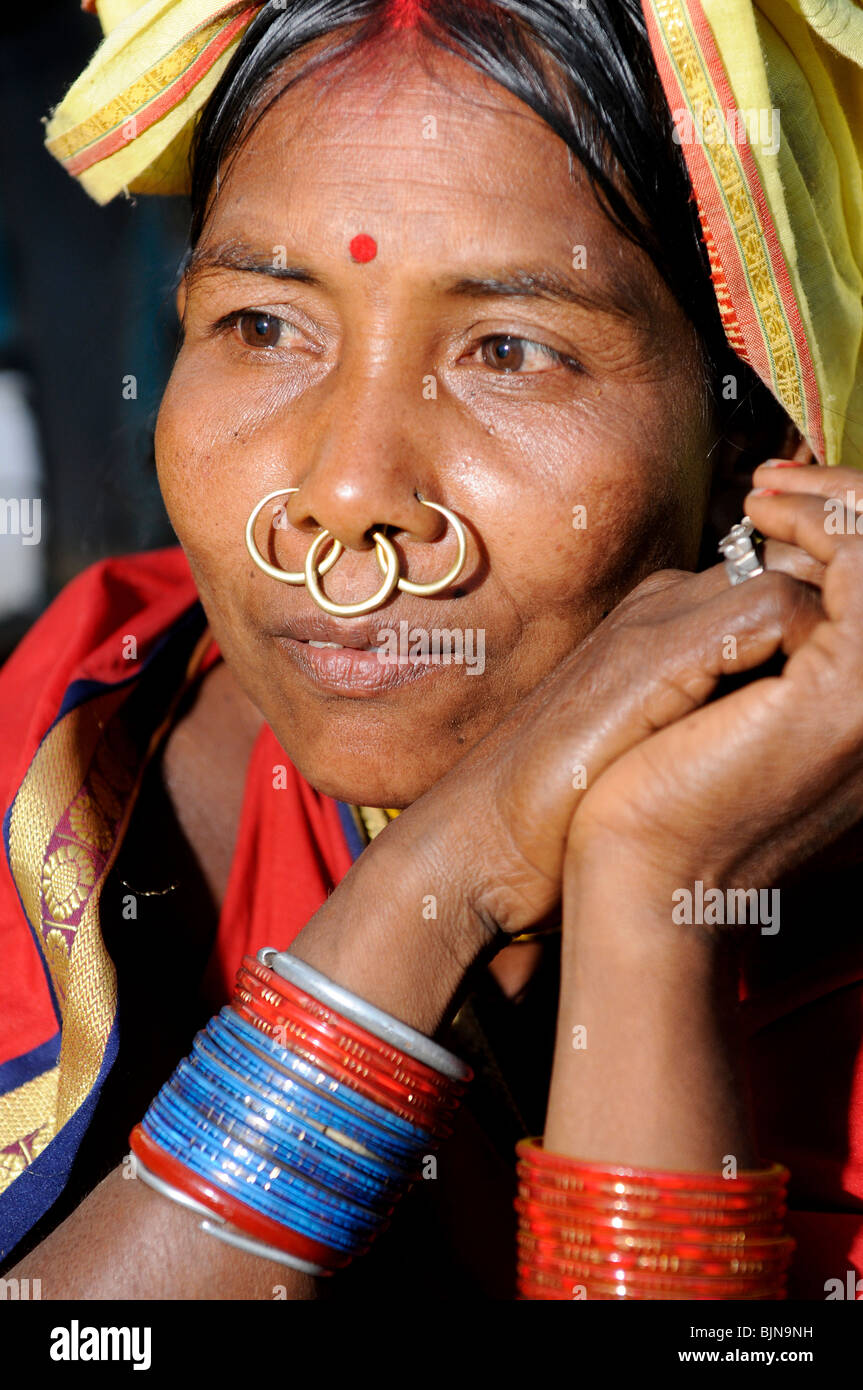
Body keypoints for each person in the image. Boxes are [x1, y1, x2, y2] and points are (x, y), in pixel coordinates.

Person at [1, 0, 862, 1300]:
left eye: (508, 351)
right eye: (263, 326)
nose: (343, 491)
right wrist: (451, 869)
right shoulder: (85, 748)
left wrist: (653, 894)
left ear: (760, 448)